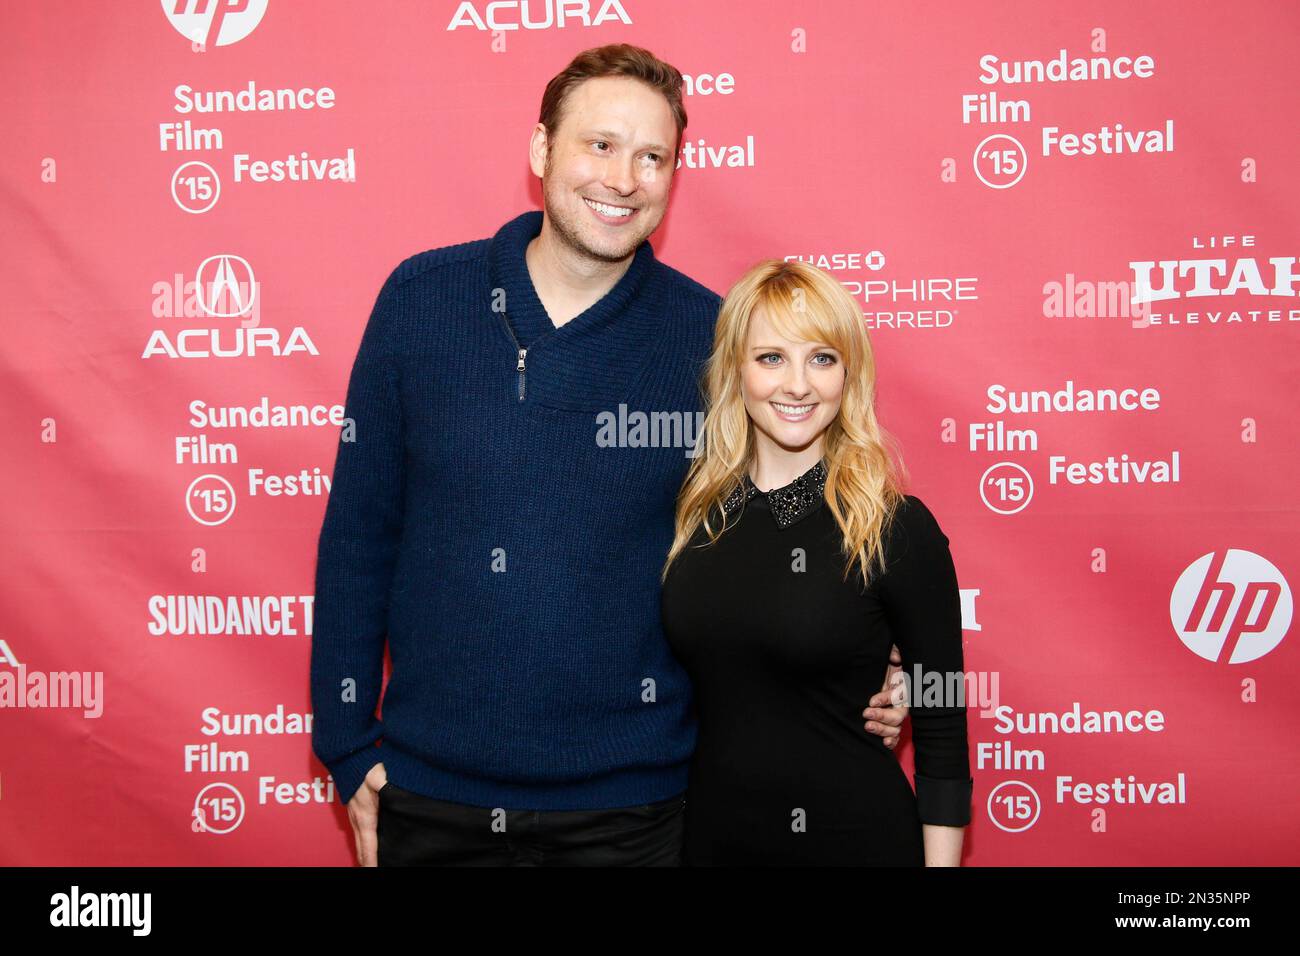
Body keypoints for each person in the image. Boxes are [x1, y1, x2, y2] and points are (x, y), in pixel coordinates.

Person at [309, 44, 910, 867]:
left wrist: (877, 657)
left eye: (651, 156)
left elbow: (798, 521)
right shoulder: (422, 301)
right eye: (600, 144)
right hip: (430, 796)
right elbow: (357, 536)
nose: (624, 178)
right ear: (541, 150)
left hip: (636, 812)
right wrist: (347, 747)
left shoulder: (711, 339)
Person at [660, 258, 973, 865]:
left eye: (822, 358)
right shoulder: (693, 515)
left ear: (848, 374)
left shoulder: (894, 527)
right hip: (711, 844)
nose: (798, 384)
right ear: (736, 370)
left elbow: (943, 735)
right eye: (771, 357)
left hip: (857, 842)